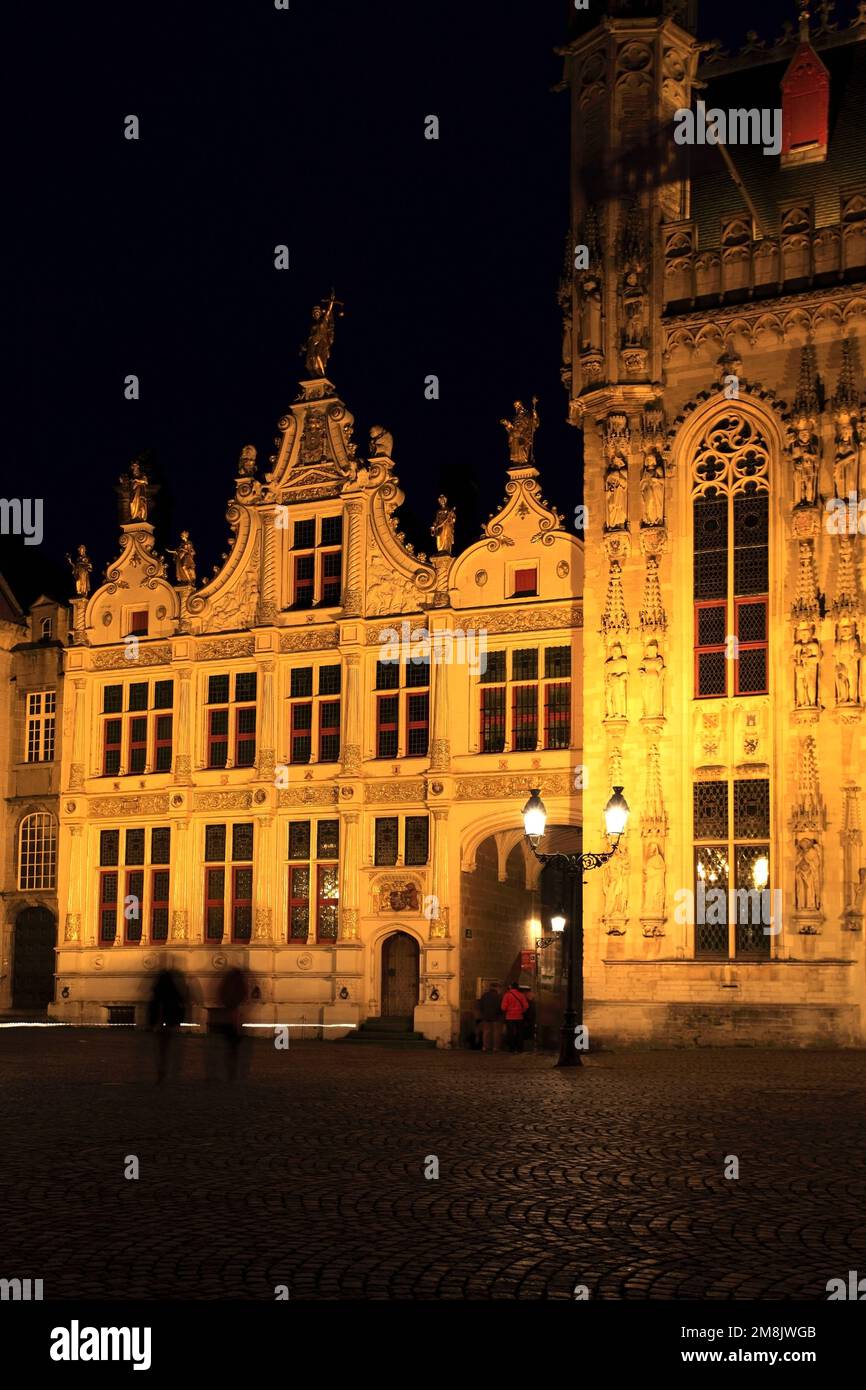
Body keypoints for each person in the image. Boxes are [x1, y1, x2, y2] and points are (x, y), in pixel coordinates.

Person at [147, 969, 187, 1084]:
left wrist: (152, 1023)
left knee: (161, 1050)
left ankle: (161, 1072)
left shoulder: (157, 992)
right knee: (171, 1048)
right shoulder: (174, 993)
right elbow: (181, 1006)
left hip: (160, 1024)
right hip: (171, 1024)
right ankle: (171, 1071)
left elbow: (153, 1008)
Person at [215, 967, 249, 1081]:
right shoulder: (240, 984)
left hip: (227, 1016)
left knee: (227, 1048)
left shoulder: (226, 984)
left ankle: (228, 1070)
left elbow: (220, 995)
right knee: (233, 1048)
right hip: (234, 1017)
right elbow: (244, 995)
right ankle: (232, 1072)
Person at [501, 981, 529, 1053]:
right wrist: (522, 1011)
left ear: (511, 987)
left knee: (510, 1033)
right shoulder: (521, 995)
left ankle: (511, 1048)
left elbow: (503, 1007)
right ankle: (520, 1048)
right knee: (520, 1033)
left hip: (510, 1017)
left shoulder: (507, 995)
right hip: (519, 1017)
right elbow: (526, 1006)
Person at [476, 983, 503, 1053]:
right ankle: (495, 1047)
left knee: (486, 1032)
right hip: (497, 1016)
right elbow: (501, 1007)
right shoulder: (498, 996)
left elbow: (480, 1006)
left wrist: (483, 1013)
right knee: (496, 1032)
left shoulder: (484, 995)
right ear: (496, 988)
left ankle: (485, 1047)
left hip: (486, 1016)